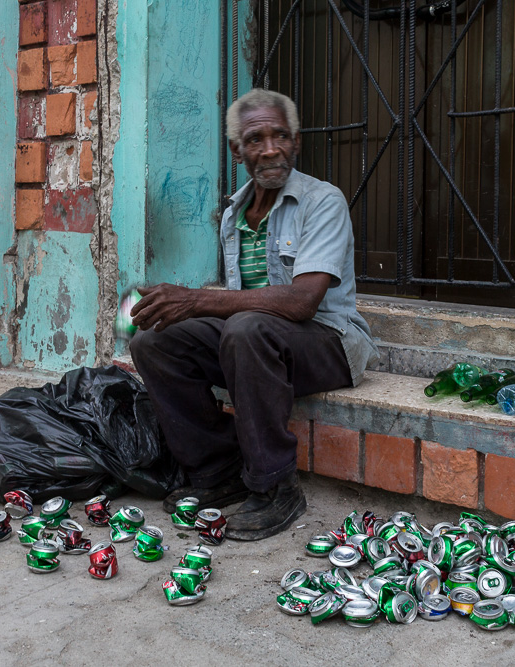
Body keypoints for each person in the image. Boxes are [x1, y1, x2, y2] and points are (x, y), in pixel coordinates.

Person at [129, 89, 377, 540]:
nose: (270, 149)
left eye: (281, 136)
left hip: (329, 342)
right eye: (256, 138)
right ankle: (218, 469)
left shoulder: (323, 201)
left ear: (296, 142)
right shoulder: (234, 213)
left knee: (244, 328)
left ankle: (276, 485)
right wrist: (170, 308)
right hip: (261, 341)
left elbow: (303, 303)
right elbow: (245, 302)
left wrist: (197, 300)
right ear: (236, 150)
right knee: (154, 342)